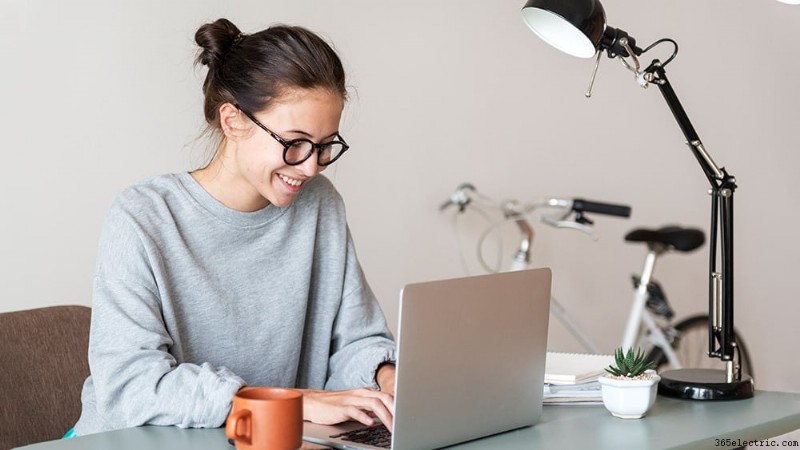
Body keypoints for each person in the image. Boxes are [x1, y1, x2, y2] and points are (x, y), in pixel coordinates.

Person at [70, 18, 397, 437]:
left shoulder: (320, 206)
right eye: (294, 142)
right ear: (233, 120)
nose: (311, 166)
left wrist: (387, 378)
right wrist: (294, 403)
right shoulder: (142, 217)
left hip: (263, 439)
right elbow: (131, 387)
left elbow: (355, 342)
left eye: (325, 146)